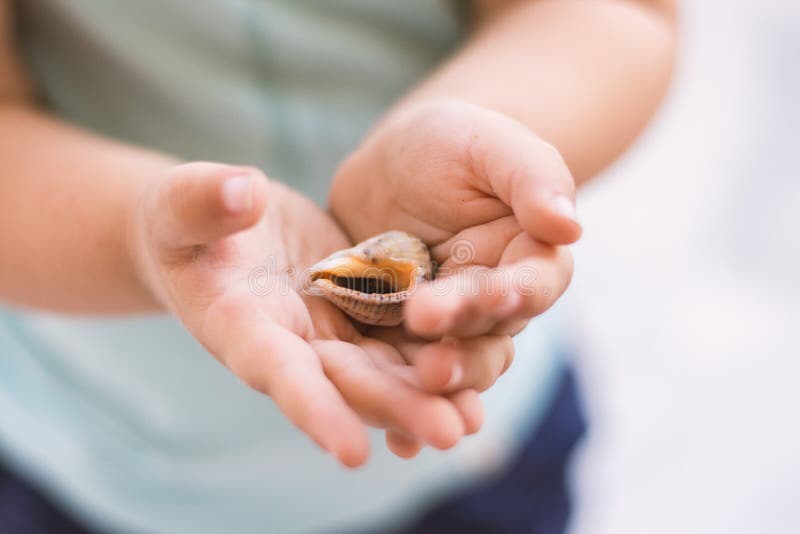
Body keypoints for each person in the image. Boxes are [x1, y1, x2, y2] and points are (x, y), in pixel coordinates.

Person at [0, 1, 676, 533]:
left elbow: (614, 10)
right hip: (85, 460)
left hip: (482, 443)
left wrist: (485, 131)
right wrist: (136, 231)